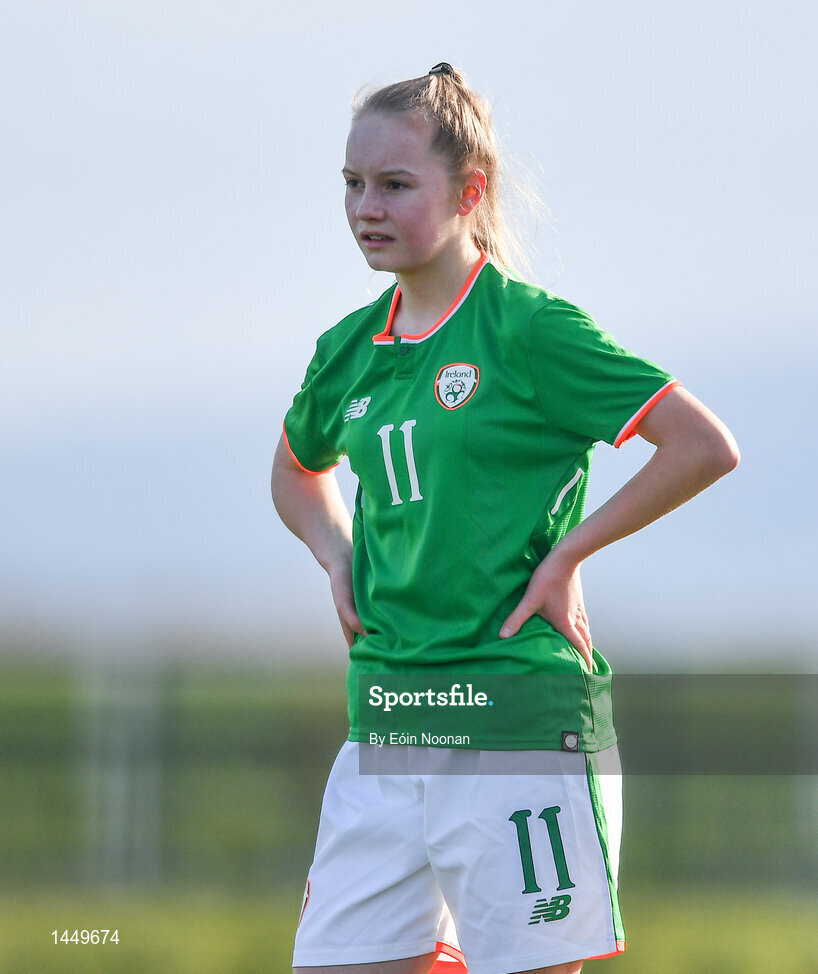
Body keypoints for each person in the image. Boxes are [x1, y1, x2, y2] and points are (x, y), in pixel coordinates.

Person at [271, 62, 739, 974]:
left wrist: (569, 554)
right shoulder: (347, 351)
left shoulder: (529, 330)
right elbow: (296, 469)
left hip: (518, 727)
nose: (367, 206)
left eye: (396, 184)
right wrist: (336, 554)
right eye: (353, 184)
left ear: (469, 190)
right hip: (388, 725)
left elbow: (701, 444)